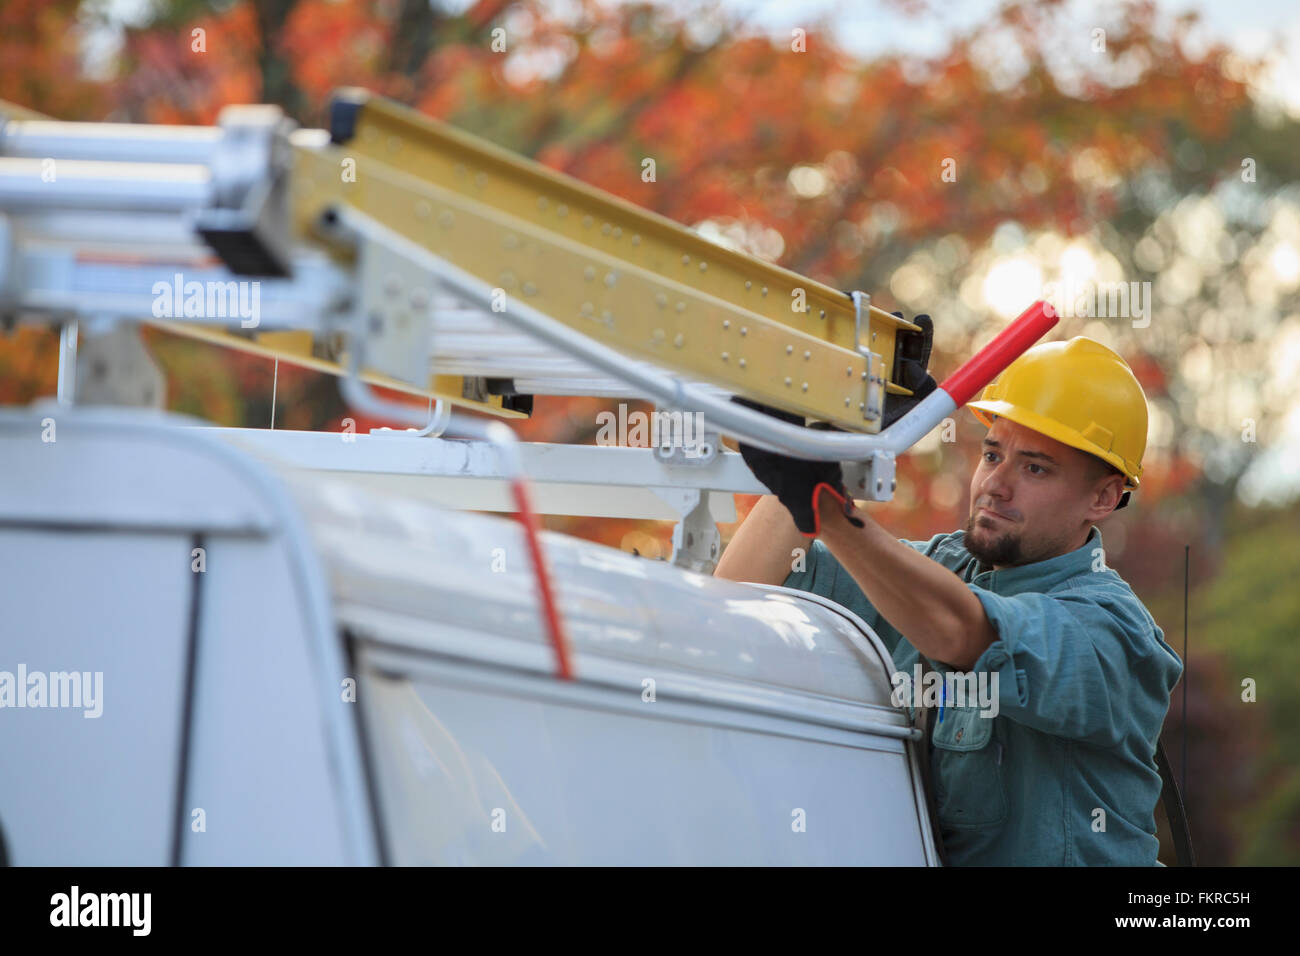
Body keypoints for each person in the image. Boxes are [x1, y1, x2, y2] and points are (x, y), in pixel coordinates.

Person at [715, 335, 1183, 865]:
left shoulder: (1111, 632)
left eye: (1035, 468)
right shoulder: (945, 567)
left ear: (1102, 497)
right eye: (992, 454)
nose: (995, 485)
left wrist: (823, 504)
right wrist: (831, 443)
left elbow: (962, 632)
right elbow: (740, 594)